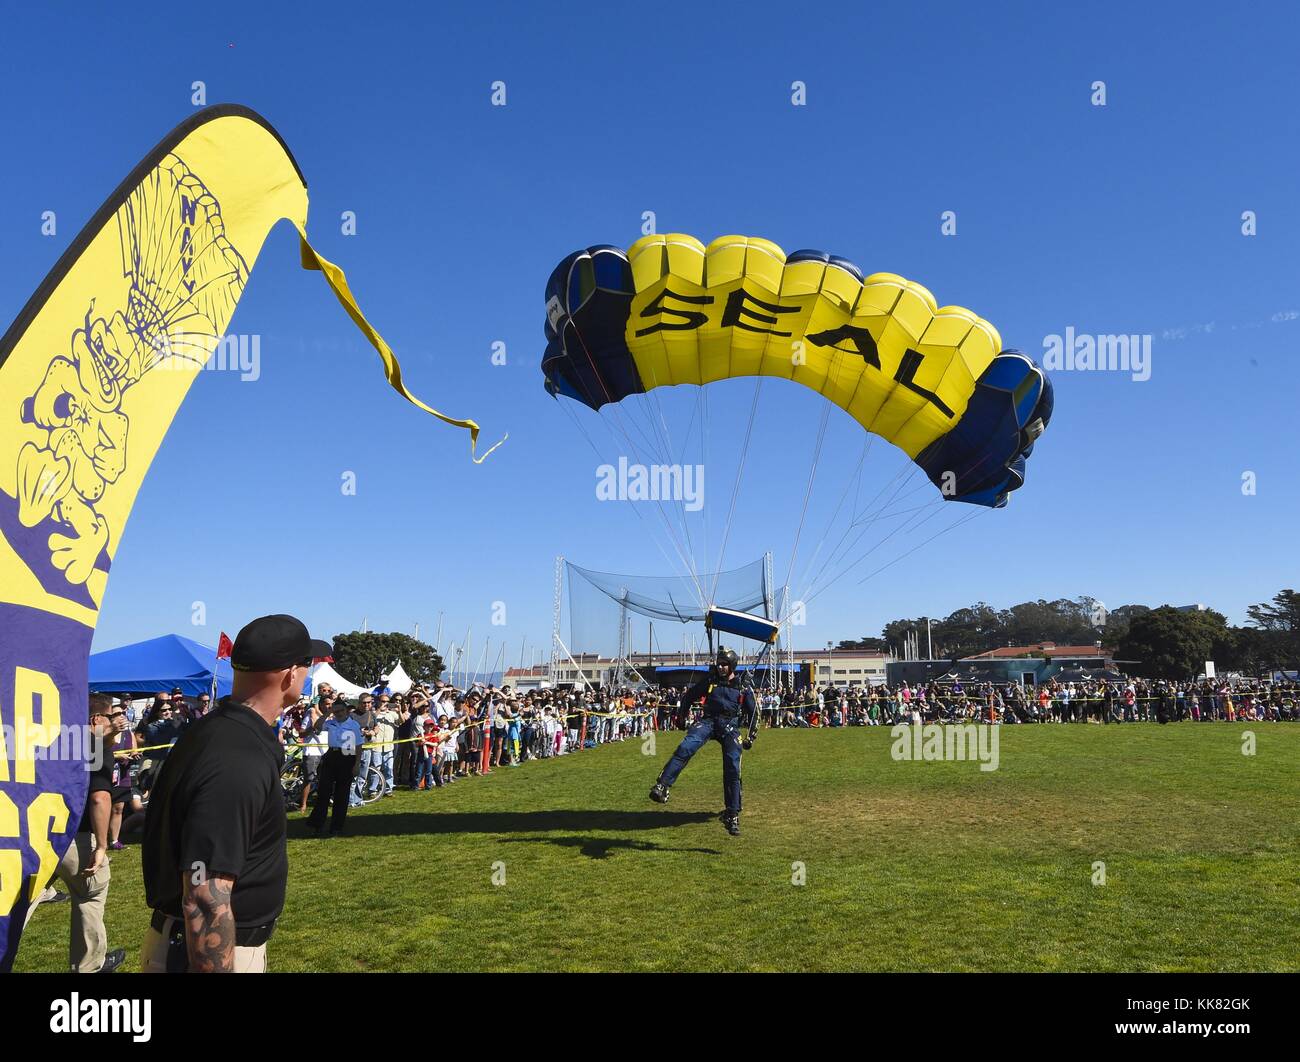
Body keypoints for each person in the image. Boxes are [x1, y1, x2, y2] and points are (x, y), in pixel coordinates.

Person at [141, 613, 331, 973]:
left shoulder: (220, 731)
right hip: (205, 953)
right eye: (307, 664)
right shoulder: (236, 756)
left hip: (200, 946)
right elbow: (204, 895)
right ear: (291, 674)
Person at [23, 694, 128, 972]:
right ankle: (89, 965)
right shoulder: (95, 747)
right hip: (75, 837)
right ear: (96, 719)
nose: (115, 721)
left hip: (37, 835)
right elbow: (99, 798)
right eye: (110, 716)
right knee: (90, 895)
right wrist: (102, 845)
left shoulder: (52, 741)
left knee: (21, 901)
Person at [649, 648, 758, 836]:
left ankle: (732, 813)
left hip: (729, 726)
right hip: (707, 721)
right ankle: (662, 785)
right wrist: (681, 716)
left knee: (733, 766)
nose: (721, 667)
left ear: (732, 666)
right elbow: (689, 696)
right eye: (719, 664)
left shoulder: (742, 686)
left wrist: (751, 736)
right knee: (685, 747)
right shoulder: (710, 681)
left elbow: (754, 712)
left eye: (725, 664)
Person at [309, 696, 363, 836]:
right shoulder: (330, 722)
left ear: (346, 711)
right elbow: (317, 727)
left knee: (342, 794)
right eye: (336, 711)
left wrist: (356, 764)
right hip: (331, 755)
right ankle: (317, 824)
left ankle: (336, 827)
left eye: (341, 711)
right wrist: (327, 713)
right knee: (323, 791)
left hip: (347, 757)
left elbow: (358, 745)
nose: (339, 714)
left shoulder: (353, 725)